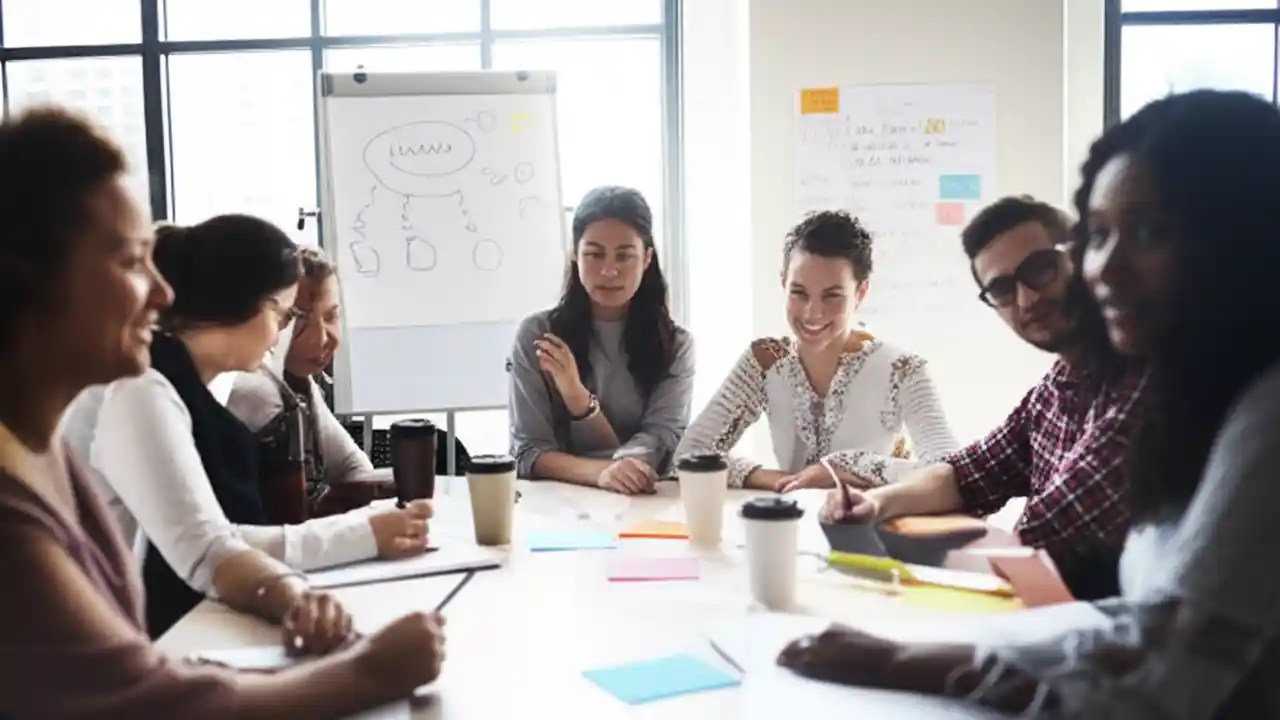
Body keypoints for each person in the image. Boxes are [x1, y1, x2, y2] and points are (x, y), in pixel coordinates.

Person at [781, 90, 1280, 718]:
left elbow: (1162, 652)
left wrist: (902, 657)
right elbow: (969, 472)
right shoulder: (1077, 385)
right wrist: (878, 504)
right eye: (1102, 235)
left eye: (1151, 232)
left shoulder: (1224, 400)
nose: (1110, 268)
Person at [0, 106, 444, 718]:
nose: (160, 294)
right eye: (130, 262)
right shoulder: (33, 485)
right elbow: (144, 700)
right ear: (28, 278)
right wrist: (369, 672)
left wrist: (290, 597)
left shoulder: (40, 444)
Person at [66, 214, 432, 637]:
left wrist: (365, 531)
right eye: (282, 314)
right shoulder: (141, 391)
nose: (279, 335)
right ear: (241, 305)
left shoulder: (179, 387)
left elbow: (213, 541)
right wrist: (362, 535)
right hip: (102, 645)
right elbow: (209, 552)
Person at [820, 196, 1146, 598]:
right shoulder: (1055, 388)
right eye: (1003, 289)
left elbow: (1042, 538)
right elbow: (966, 475)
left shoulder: (1144, 381)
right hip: (1049, 615)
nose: (1027, 300)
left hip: (1117, 638)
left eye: (1040, 270)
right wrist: (876, 504)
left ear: (1081, 257)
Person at [677, 210, 957, 491]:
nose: (813, 313)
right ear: (783, 282)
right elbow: (689, 455)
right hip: (793, 521)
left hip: (875, 524)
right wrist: (779, 479)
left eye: (832, 295)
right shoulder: (765, 360)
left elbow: (949, 469)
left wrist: (845, 467)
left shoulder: (903, 369)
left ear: (861, 293)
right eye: (799, 293)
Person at [508, 186, 695, 495]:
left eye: (625, 255)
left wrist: (578, 400)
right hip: (552, 509)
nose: (609, 270)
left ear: (647, 258)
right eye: (594, 254)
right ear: (574, 255)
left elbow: (661, 443)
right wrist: (603, 472)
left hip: (643, 503)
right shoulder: (538, 336)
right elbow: (527, 453)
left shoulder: (676, 345)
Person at [227, 246, 396, 517]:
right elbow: (292, 517)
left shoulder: (301, 383)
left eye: (330, 317)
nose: (321, 338)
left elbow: (353, 469)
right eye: (298, 320)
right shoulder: (255, 393)